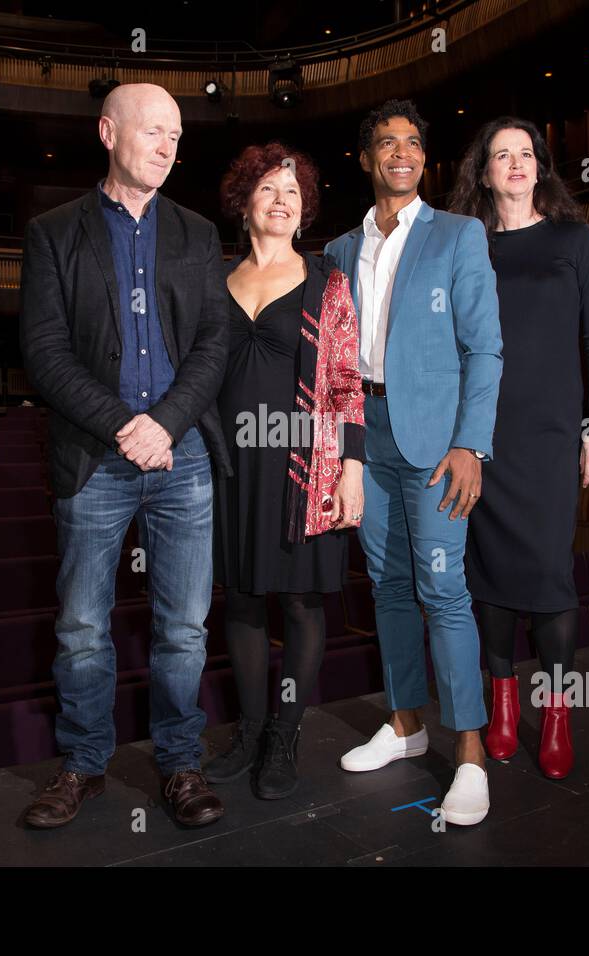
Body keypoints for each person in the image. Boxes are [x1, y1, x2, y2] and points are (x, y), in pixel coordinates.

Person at [17, 83, 231, 830]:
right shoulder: (53, 232)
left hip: (184, 460)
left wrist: (165, 425)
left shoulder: (198, 233)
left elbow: (213, 344)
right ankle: (82, 764)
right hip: (94, 461)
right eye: (154, 131)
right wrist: (124, 426)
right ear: (108, 132)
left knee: (184, 628)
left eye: (177, 135)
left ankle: (180, 762)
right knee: (82, 627)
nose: (170, 147)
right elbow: (44, 355)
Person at [324, 99, 503, 826]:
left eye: (412, 143)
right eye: (385, 143)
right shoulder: (338, 250)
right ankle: (405, 724)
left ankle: (469, 753)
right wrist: (342, 452)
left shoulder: (460, 236)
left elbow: (484, 348)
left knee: (443, 591)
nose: (401, 152)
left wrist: (471, 443)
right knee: (388, 588)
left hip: (437, 440)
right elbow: (333, 363)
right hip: (368, 431)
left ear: (423, 160)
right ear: (366, 160)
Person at [448, 116, 589, 779]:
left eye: (526, 154)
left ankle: (556, 716)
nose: (515, 164)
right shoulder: (468, 245)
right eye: (501, 155)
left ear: (541, 167)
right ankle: (504, 708)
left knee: (549, 578)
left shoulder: (574, 240)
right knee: (488, 576)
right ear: (484, 172)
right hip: (484, 435)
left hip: (549, 437)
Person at [202, 143, 365, 799]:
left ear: (304, 211)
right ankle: (250, 730)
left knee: (299, 603)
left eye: (292, 193)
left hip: (306, 463)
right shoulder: (212, 281)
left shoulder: (327, 282)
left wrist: (352, 468)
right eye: (268, 189)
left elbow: (349, 383)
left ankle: (285, 734)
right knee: (239, 597)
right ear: (245, 202)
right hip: (227, 464)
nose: (280, 200)